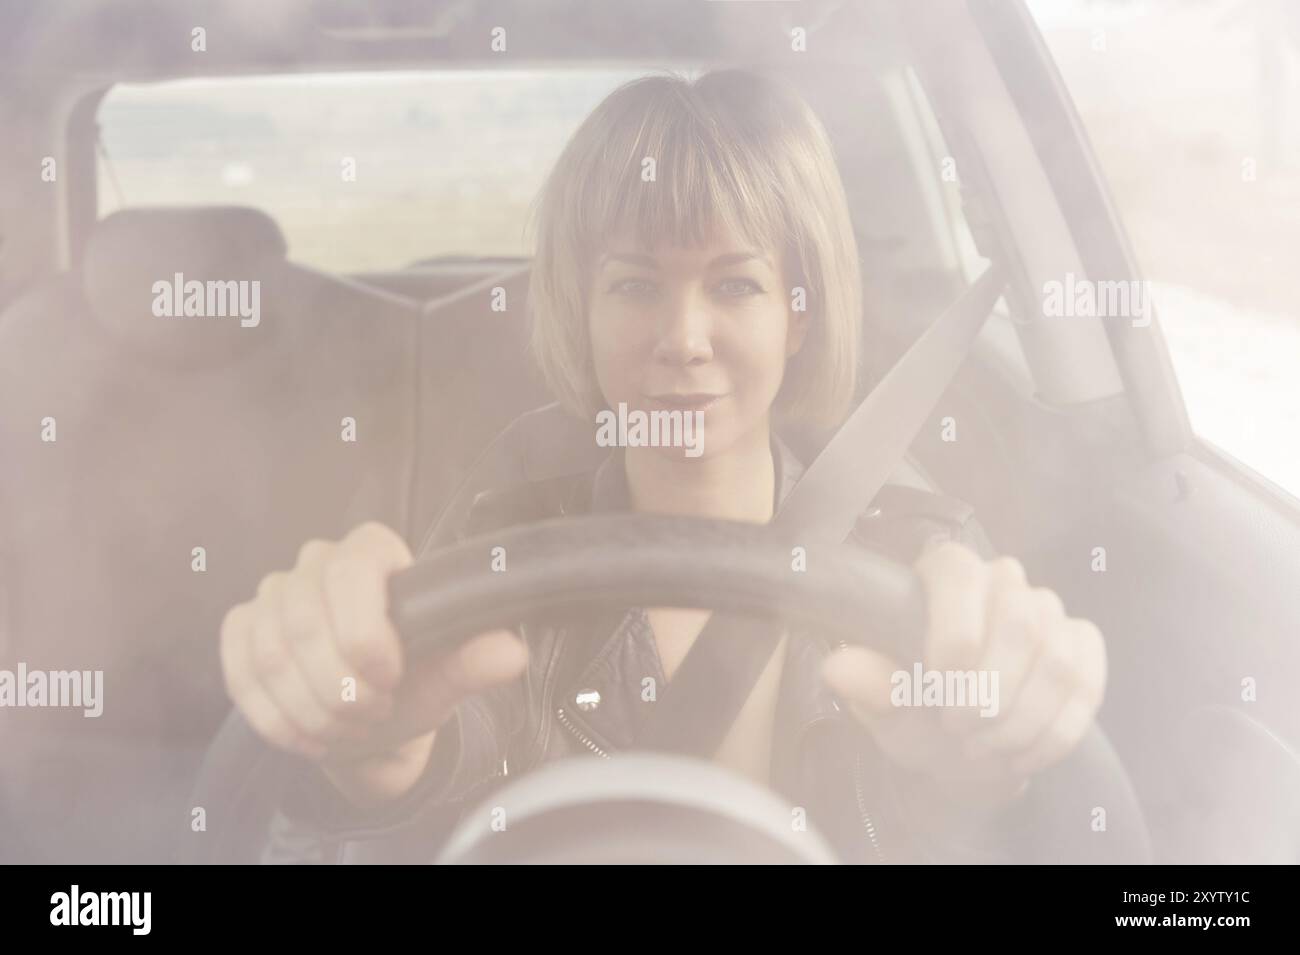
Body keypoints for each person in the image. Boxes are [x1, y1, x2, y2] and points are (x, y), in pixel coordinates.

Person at [218, 70, 1106, 863]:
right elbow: (447, 754)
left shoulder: (916, 554)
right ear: (583, 308)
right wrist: (376, 757)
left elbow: (995, 831)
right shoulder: (508, 535)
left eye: (735, 285)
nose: (682, 341)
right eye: (636, 286)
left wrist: (984, 772)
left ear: (800, 315)